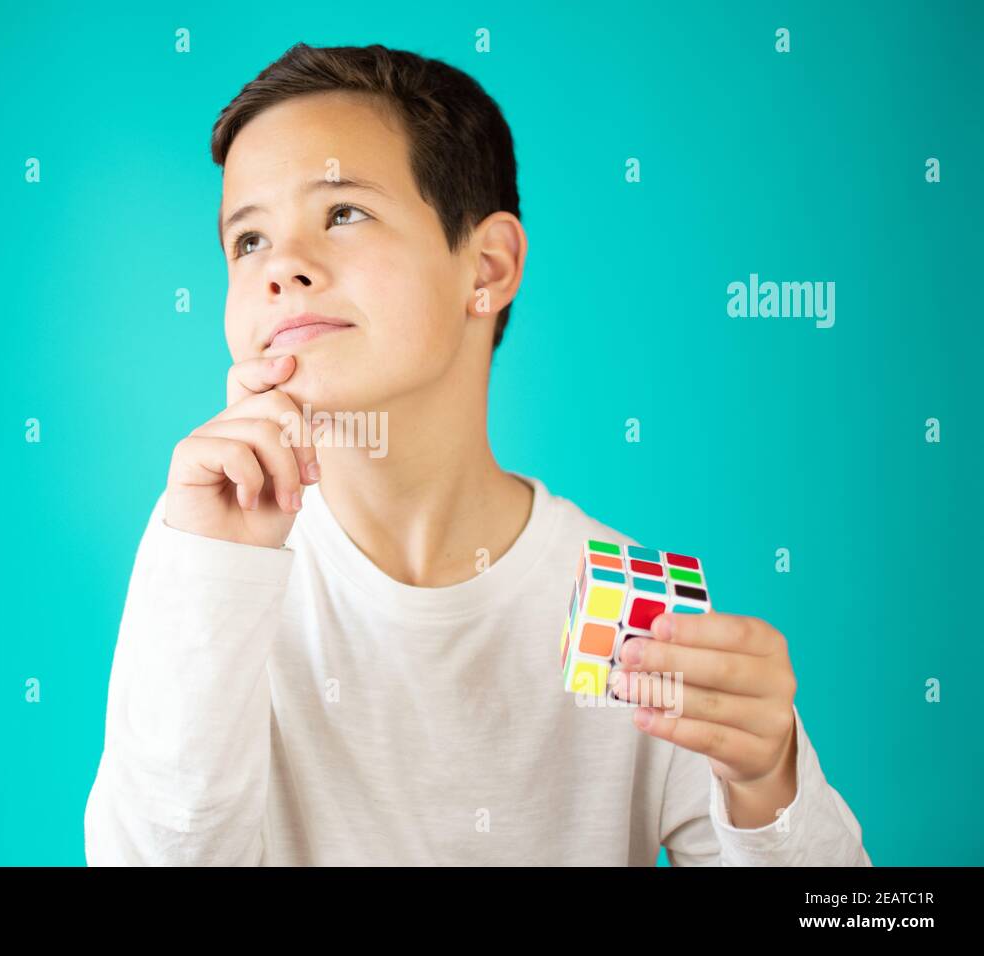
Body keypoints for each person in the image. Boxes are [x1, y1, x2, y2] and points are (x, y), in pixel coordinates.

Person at [84, 42, 870, 865]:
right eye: (247, 241)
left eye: (343, 212)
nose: (282, 267)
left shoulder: (635, 618)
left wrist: (767, 783)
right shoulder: (200, 558)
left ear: (487, 267)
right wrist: (214, 582)